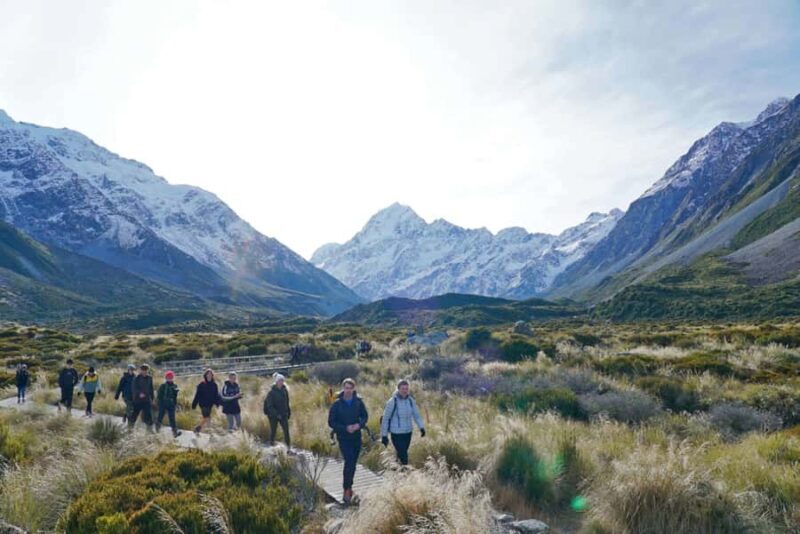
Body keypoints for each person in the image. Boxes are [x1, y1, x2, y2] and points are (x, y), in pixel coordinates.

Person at [328, 378, 368, 504]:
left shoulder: (358, 402)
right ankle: (346, 489)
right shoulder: (337, 404)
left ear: (353, 389)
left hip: (356, 437)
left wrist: (359, 425)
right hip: (343, 438)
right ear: (343, 388)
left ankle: (350, 487)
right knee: (349, 461)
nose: (348, 390)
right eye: (346, 388)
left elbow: (365, 416)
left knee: (353, 463)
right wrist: (345, 428)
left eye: (350, 388)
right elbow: (331, 422)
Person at [380, 379, 426, 466]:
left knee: (401, 454)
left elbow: (416, 415)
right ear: (398, 389)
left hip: (408, 432)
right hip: (396, 433)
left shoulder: (410, 401)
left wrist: (421, 428)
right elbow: (385, 419)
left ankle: (396, 469)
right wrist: (384, 436)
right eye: (403, 388)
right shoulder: (392, 401)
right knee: (404, 456)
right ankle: (405, 471)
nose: (405, 391)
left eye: (406, 389)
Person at [264, 373, 291, 447]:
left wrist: (288, 412)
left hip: (283, 414)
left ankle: (288, 447)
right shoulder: (271, 392)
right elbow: (270, 406)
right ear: (276, 382)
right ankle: (271, 444)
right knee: (273, 430)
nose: (281, 382)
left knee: (286, 431)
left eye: (282, 380)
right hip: (273, 416)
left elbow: (287, 402)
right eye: (279, 380)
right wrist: (277, 414)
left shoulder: (285, 391)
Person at [191, 369, 220, 433]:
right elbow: (197, 394)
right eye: (208, 374)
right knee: (207, 417)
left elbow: (216, 395)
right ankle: (208, 431)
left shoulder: (214, 385)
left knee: (206, 417)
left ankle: (199, 428)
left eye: (210, 374)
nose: (209, 375)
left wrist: (217, 403)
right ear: (205, 375)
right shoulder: (201, 384)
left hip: (210, 404)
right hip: (203, 403)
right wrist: (194, 404)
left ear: (212, 375)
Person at [156, 370, 182, 438]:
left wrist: (175, 404)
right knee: (160, 416)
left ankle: (175, 433)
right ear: (166, 378)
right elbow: (159, 396)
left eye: (171, 377)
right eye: (168, 377)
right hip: (163, 403)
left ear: (173, 378)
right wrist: (159, 404)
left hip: (171, 404)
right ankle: (157, 429)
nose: (170, 379)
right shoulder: (163, 386)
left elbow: (175, 397)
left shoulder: (175, 386)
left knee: (172, 418)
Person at [129, 364, 155, 431]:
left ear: (147, 370)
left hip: (146, 400)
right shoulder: (136, 378)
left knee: (148, 414)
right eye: (143, 370)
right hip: (138, 400)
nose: (144, 371)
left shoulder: (150, 378)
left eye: (146, 370)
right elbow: (134, 388)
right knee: (135, 414)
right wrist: (139, 394)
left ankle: (149, 430)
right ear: (140, 370)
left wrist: (152, 398)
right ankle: (130, 428)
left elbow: (151, 389)